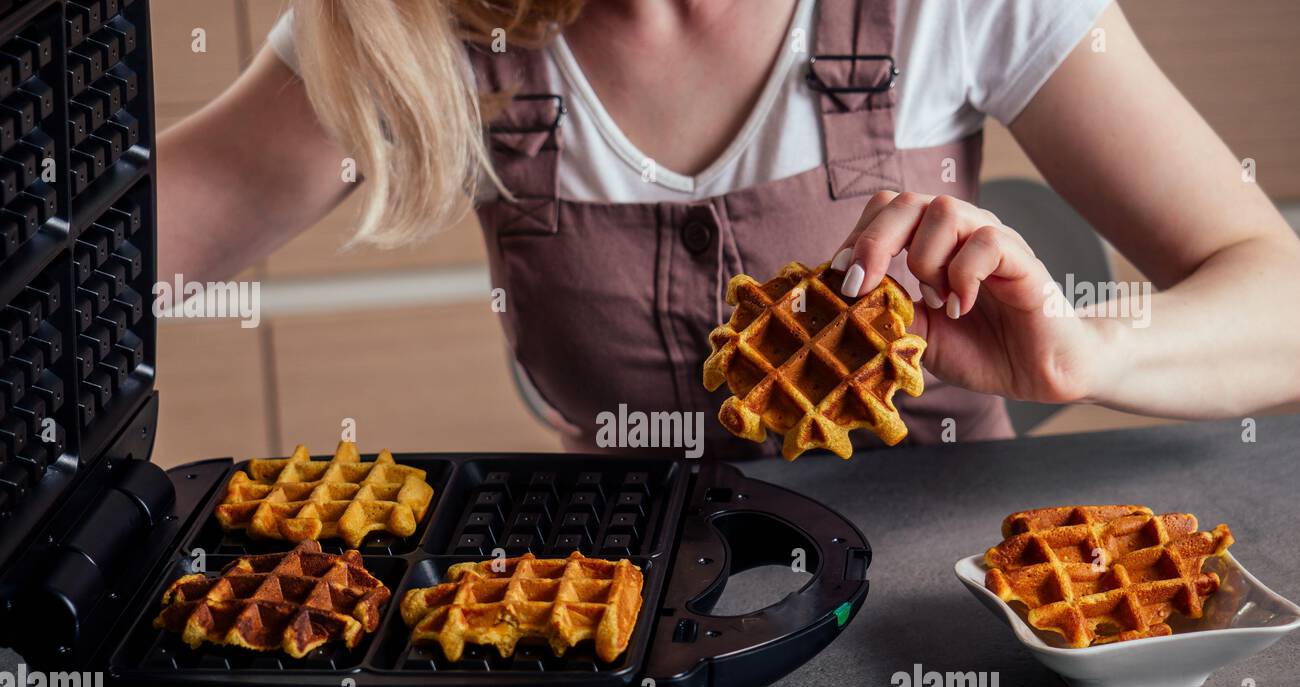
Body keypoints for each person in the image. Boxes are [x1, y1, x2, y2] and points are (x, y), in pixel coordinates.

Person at [158, 0, 1300, 455]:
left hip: (941, 621)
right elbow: (110, 254)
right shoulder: (417, 22)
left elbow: (1280, 306)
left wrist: (1090, 350)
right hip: (618, 637)